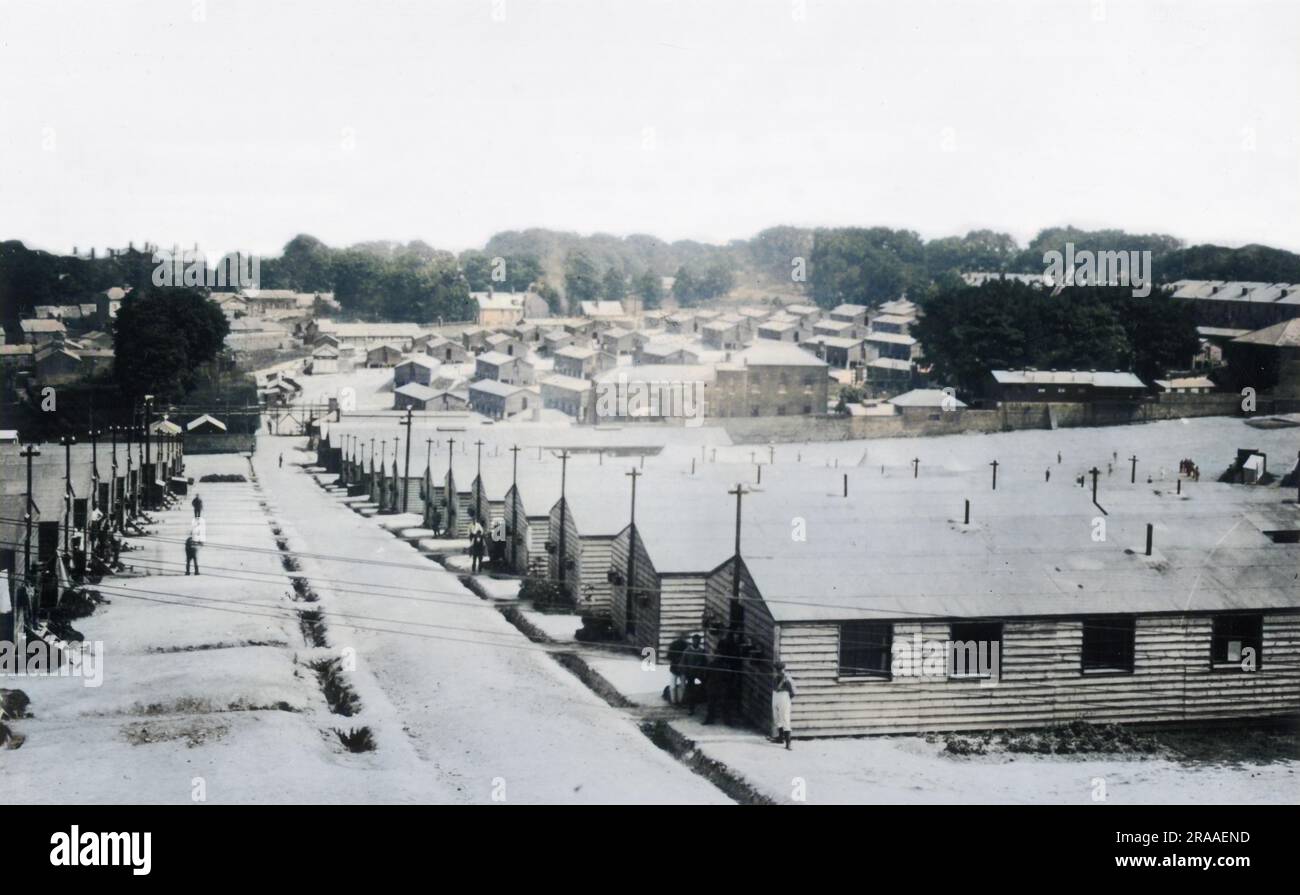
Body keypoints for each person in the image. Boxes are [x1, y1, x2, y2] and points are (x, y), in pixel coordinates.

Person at [680, 633, 709, 715]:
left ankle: (704, 705)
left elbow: (705, 662)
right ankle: (691, 708)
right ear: (692, 641)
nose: (696, 642)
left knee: (705, 686)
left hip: (699, 673)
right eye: (695, 640)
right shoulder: (687, 651)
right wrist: (686, 672)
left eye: (698, 641)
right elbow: (683, 663)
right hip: (690, 674)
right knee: (690, 691)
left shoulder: (701, 651)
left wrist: (702, 670)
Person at [771, 660, 797, 750]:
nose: (779, 671)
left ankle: (788, 743)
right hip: (775, 697)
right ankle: (780, 738)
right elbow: (775, 688)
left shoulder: (788, 679)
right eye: (777, 669)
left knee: (785, 719)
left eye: (780, 669)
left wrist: (787, 699)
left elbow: (793, 692)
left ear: (783, 669)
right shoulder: (776, 677)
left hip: (784, 697)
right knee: (777, 717)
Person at [665, 633, 690, 705]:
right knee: (674, 685)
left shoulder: (686, 646)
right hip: (675, 668)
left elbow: (687, 657)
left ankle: (679, 701)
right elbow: (669, 656)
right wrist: (676, 660)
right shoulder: (674, 645)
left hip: (682, 669)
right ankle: (675, 701)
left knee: (682, 685)